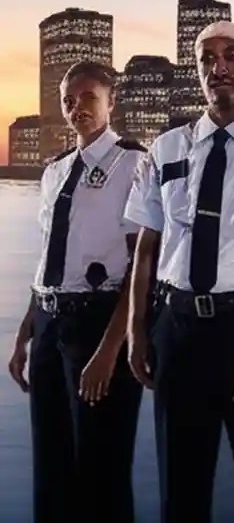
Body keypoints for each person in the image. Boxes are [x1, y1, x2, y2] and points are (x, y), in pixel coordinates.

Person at [124, 20, 234, 522]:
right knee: (181, 487)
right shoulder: (166, 148)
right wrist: (136, 329)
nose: (219, 67)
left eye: (232, 55)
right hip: (178, 327)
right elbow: (147, 247)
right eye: (206, 58)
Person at [7, 61, 146, 522]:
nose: (76, 107)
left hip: (98, 320)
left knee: (101, 469)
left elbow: (140, 265)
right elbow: (50, 256)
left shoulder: (133, 163)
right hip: (49, 320)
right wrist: (26, 331)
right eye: (69, 99)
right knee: (51, 464)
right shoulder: (56, 171)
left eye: (88, 97)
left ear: (111, 102)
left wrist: (111, 350)